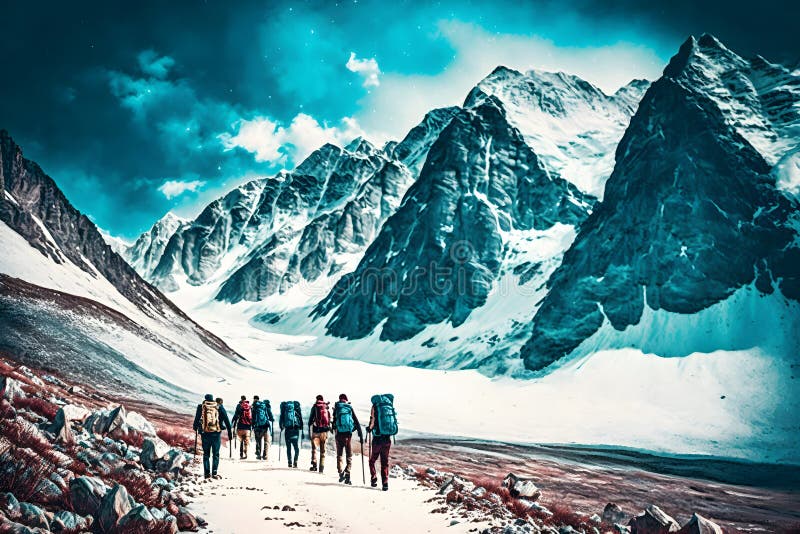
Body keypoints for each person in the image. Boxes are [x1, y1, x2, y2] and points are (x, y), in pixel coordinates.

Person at [193, 393, 232, 479]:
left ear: (205, 399)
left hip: (205, 434)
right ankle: (214, 472)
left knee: (206, 454)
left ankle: (207, 473)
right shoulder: (219, 407)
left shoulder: (201, 407)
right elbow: (226, 420)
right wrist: (230, 432)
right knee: (216, 454)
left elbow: (196, 421)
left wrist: (196, 428)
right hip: (216, 434)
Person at [366, 394, 398, 491]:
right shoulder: (389, 406)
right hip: (387, 439)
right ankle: (385, 483)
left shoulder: (375, 406)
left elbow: (372, 421)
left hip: (377, 439)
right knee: (385, 462)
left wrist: (369, 429)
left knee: (372, 461)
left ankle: (374, 478)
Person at [333, 393, 363, 485]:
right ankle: (347, 475)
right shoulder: (349, 407)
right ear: (346, 399)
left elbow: (334, 423)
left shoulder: (337, 408)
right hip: (348, 436)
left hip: (339, 435)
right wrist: (360, 435)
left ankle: (341, 472)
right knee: (349, 456)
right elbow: (356, 422)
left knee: (339, 455)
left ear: (339, 399)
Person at [308, 394, 332, 473]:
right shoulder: (326, 407)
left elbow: (311, 419)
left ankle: (314, 464)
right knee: (323, 451)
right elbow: (329, 419)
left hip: (315, 432)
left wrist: (310, 425)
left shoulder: (315, 407)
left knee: (314, 449)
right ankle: (321, 468)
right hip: (324, 432)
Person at [279, 401, 304, 468]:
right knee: (296, 448)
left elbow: (281, 421)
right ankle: (295, 462)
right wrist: (301, 429)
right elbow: (301, 422)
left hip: (287, 430)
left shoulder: (284, 411)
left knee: (288, 448)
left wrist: (281, 428)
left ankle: (289, 462)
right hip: (295, 431)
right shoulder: (296, 411)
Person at [251, 395, 274, 461]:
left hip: (257, 426)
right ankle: (265, 455)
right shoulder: (264, 405)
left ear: (254, 399)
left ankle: (258, 455)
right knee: (266, 441)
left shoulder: (254, 406)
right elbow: (270, 415)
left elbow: (252, 417)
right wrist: (271, 419)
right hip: (265, 426)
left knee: (258, 440)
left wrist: (252, 426)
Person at [230, 395, 253, 459]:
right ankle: (246, 454)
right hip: (248, 426)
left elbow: (236, 415)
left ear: (241, 399)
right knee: (246, 441)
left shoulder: (239, 405)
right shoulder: (249, 406)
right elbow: (252, 416)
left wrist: (233, 423)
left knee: (241, 440)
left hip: (240, 425)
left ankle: (241, 454)